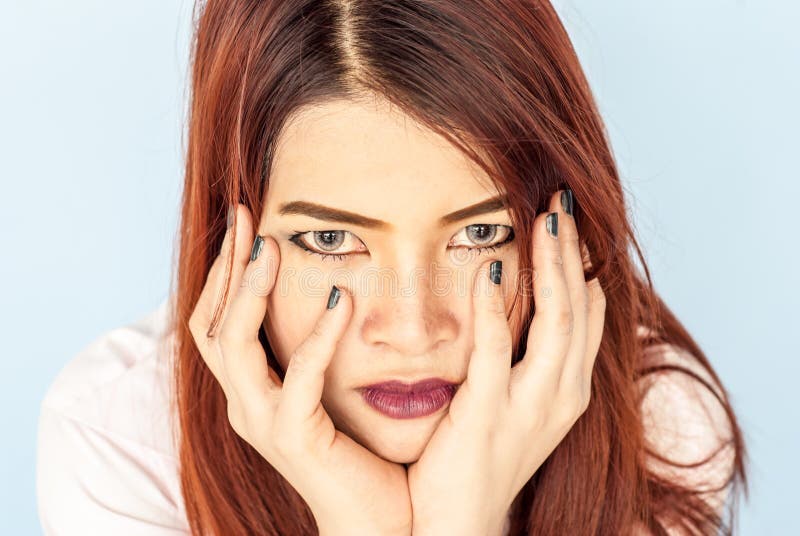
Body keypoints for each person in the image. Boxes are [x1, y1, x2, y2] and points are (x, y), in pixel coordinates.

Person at [36, 1, 748, 534]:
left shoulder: (660, 431)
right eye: (329, 241)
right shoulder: (122, 444)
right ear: (234, 240)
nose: (412, 330)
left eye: (479, 232)